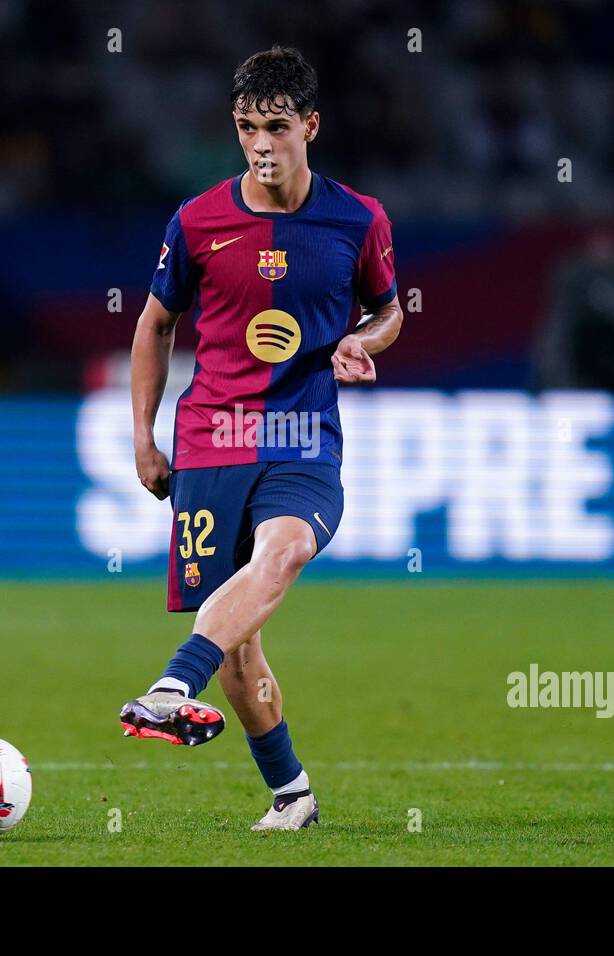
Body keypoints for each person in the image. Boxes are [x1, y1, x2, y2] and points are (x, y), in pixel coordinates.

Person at [121, 46, 403, 831]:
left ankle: (172, 688)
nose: (261, 144)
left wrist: (364, 343)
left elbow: (388, 309)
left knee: (283, 553)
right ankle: (292, 794)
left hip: (302, 437)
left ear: (310, 125)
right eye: (247, 127)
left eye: (277, 126)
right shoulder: (198, 220)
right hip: (211, 439)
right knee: (239, 645)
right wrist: (144, 437)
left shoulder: (357, 219)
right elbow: (155, 324)